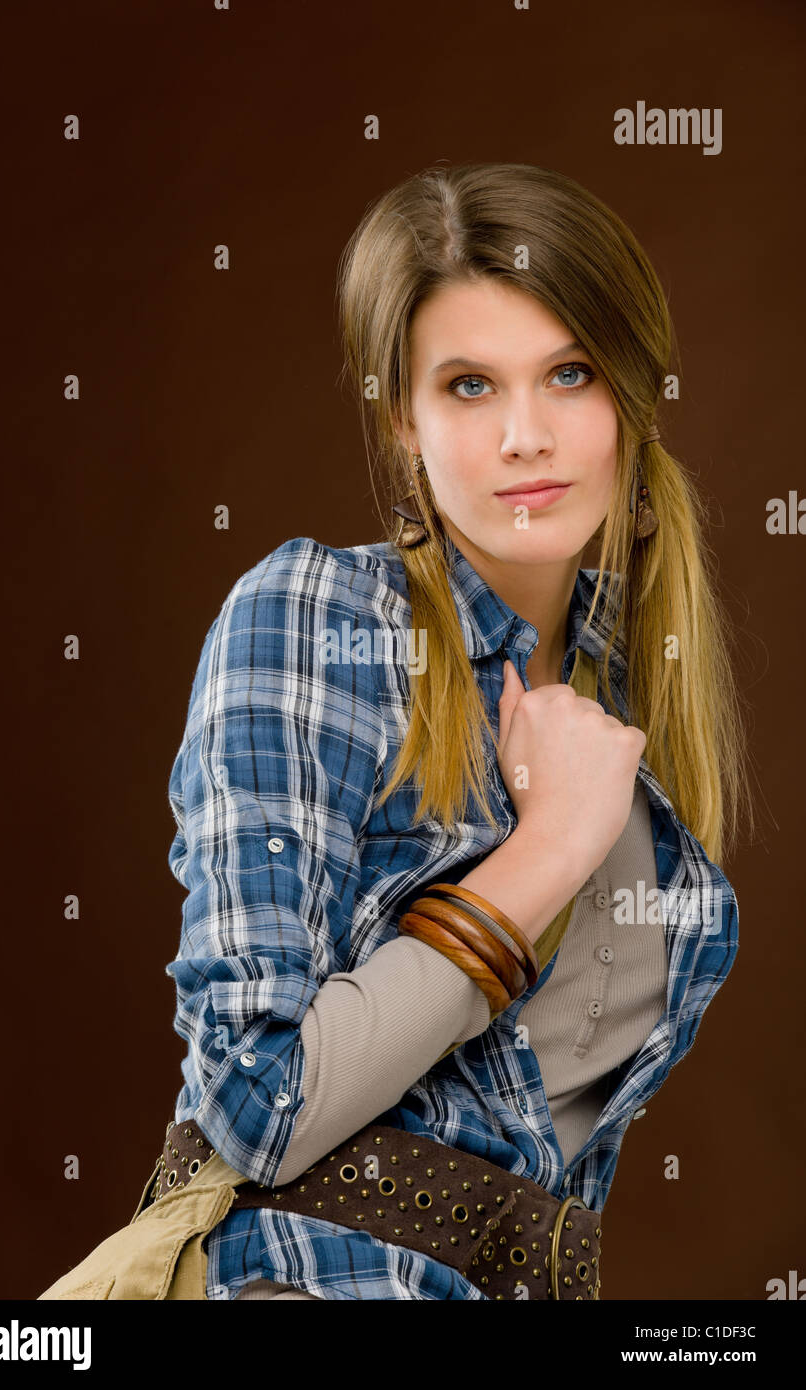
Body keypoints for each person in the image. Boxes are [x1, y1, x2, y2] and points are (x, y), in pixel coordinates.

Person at [156, 163, 751, 1300]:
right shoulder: (316, 615)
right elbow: (253, 1099)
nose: (526, 435)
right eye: (470, 386)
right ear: (404, 421)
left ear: (631, 393)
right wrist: (541, 857)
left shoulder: (613, 703)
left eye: (568, 373)